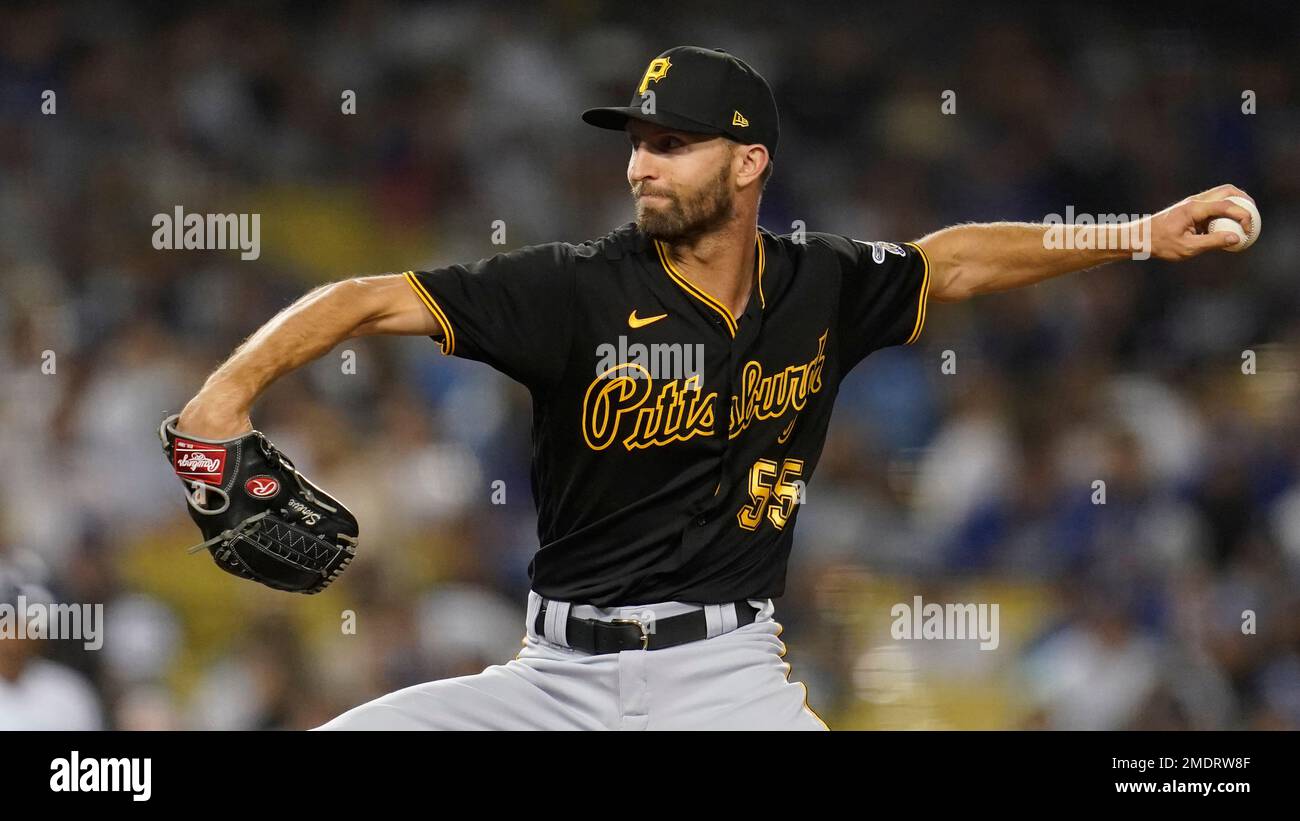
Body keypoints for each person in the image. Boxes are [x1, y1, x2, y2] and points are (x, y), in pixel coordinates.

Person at [175, 46, 1255, 730]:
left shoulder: (821, 284)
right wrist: (225, 395)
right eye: (637, 142)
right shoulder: (570, 289)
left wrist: (1140, 234)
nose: (642, 164)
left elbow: (955, 259)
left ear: (748, 164)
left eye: (673, 143)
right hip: (551, 679)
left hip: (726, 679)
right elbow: (367, 299)